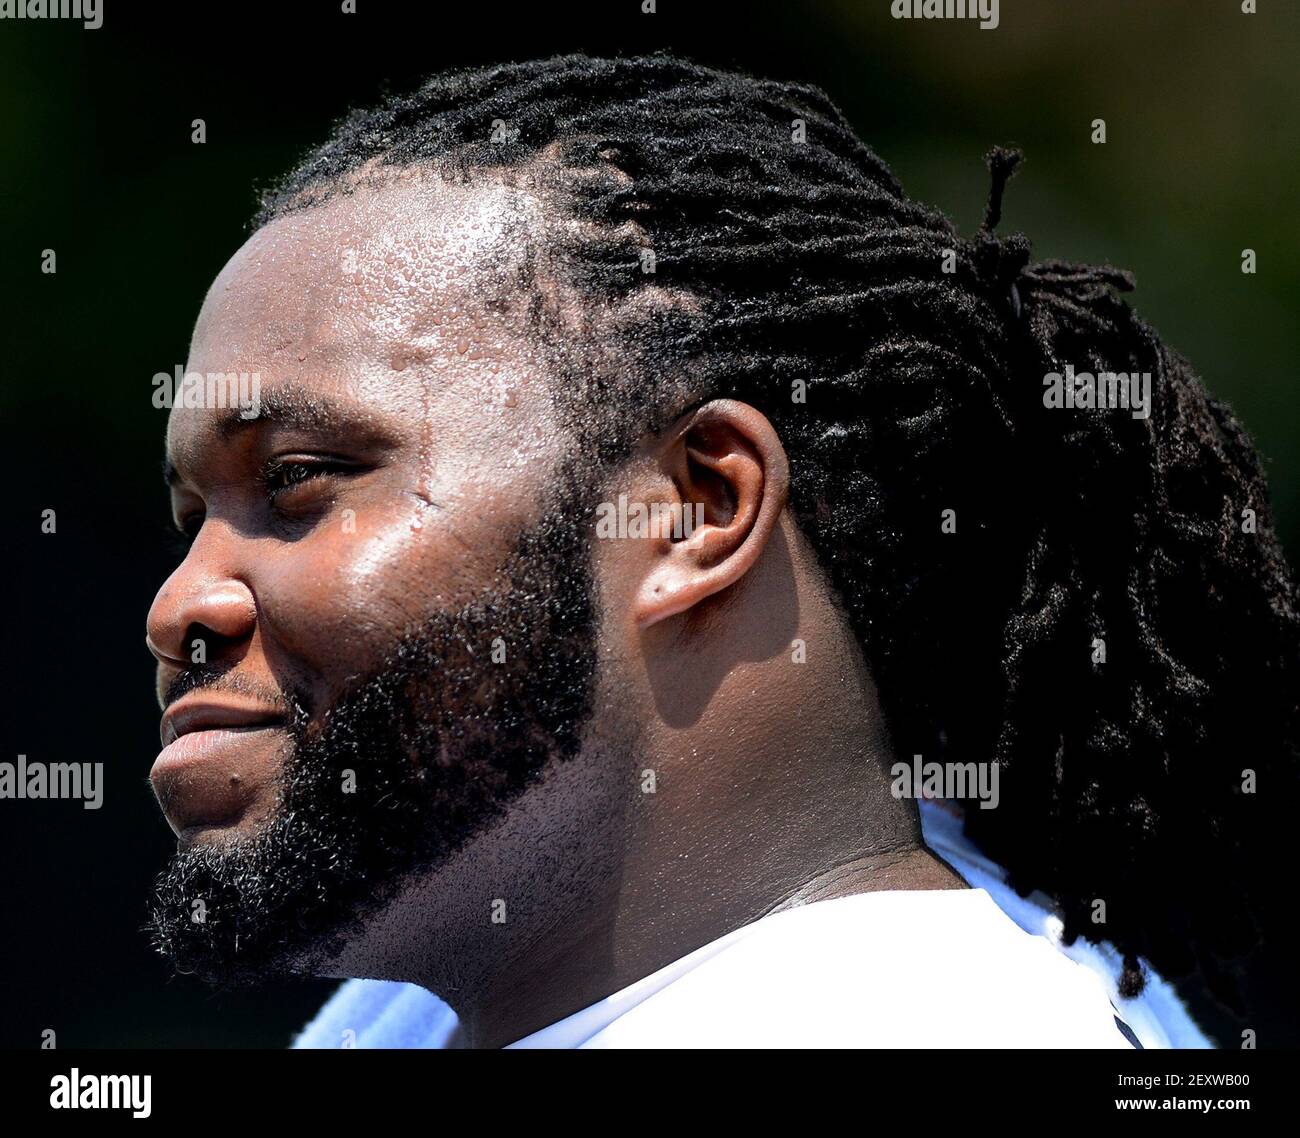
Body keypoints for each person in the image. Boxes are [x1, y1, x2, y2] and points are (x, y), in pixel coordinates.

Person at [145, 54, 1298, 1048]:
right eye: (193, 514)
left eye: (296, 481)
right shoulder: (439, 1004)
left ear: (696, 509)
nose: (178, 607)